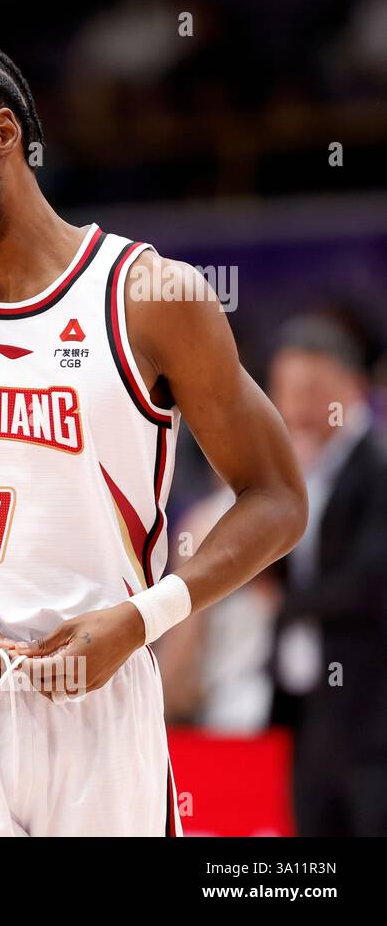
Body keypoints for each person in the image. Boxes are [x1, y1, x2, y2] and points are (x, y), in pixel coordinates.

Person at [0, 40, 307, 836]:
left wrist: (145, 618)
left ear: (3, 133)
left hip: (101, 711)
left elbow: (278, 497)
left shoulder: (149, 296)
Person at [267, 314, 387, 836]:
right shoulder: (296, 471)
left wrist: (285, 605)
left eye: (311, 390)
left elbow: (371, 581)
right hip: (311, 720)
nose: (294, 408)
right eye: (283, 390)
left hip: (375, 720)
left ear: (352, 386)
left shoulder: (378, 465)